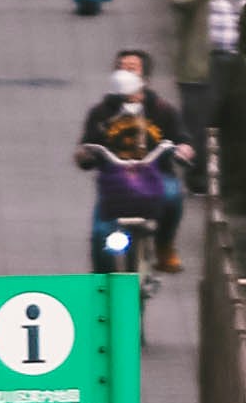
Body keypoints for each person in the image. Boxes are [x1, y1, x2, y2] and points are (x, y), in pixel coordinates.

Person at [81, 86, 189, 275]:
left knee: (173, 195)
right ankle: (102, 286)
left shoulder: (162, 110)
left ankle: (164, 245)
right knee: (100, 235)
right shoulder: (102, 113)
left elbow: (181, 140)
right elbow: (87, 147)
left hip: (155, 177)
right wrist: (85, 155)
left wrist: (184, 150)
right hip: (115, 183)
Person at [171, 0, 246, 175]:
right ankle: (198, 178)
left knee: (231, 120)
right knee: (198, 124)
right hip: (201, 66)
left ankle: (226, 176)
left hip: (235, 59)